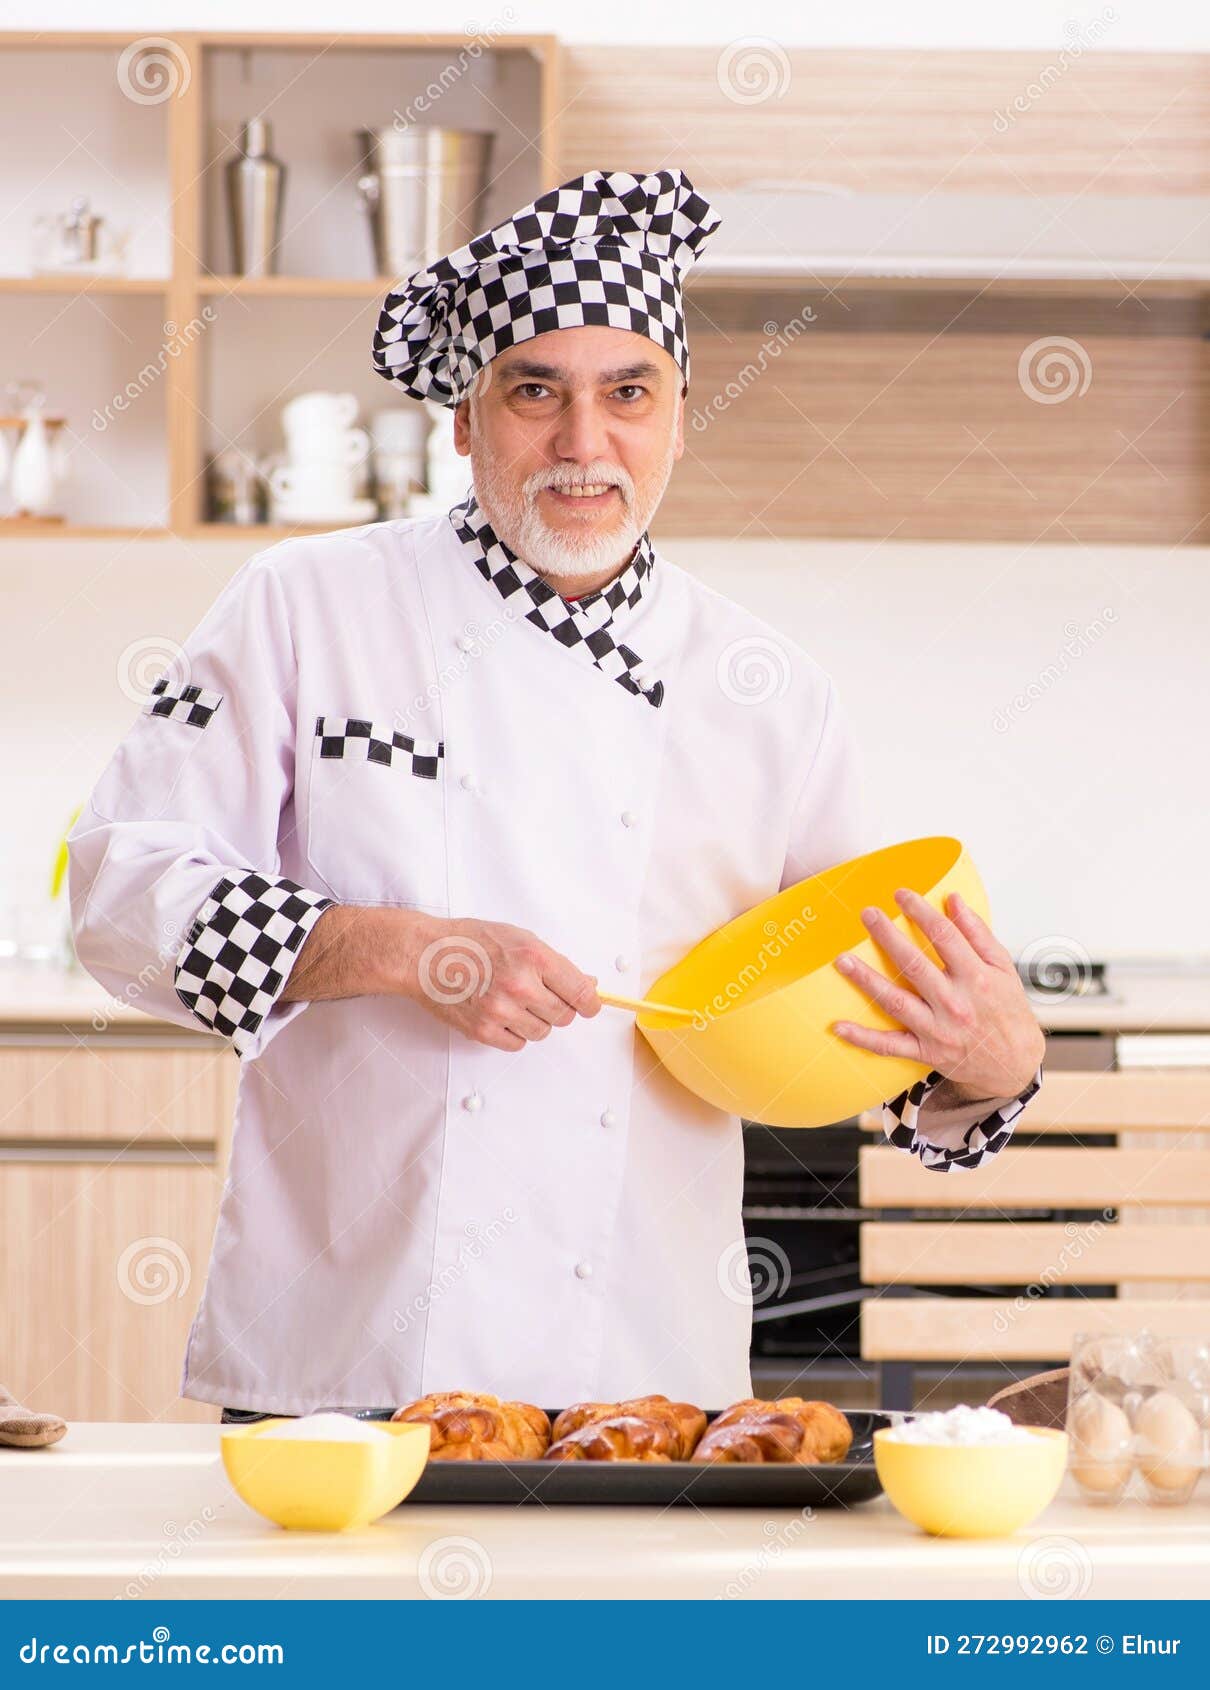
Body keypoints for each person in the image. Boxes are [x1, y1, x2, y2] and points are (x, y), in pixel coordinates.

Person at [68, 170, 1043, 1419]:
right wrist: (390, 946)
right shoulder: (303, 607)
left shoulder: (766, 690)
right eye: (536, 391)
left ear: (679, 417)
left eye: (627, 394)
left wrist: (991, 1070)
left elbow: (854, 1008)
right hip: (350, 1363)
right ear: (465, 423)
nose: (585, 445)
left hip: (640, 1372)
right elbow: (121, 889)